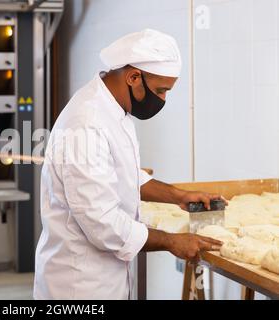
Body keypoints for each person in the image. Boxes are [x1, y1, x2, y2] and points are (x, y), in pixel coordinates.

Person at [34, 29, 225, 300]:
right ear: (134, 76)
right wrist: (171, 241)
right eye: (160, 90)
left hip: (106, 278)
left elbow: (123, 175)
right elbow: (101, 222)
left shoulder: (113, 108)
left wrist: (178, 196)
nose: (162, 100)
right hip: (78, 284)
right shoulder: (86, 122)